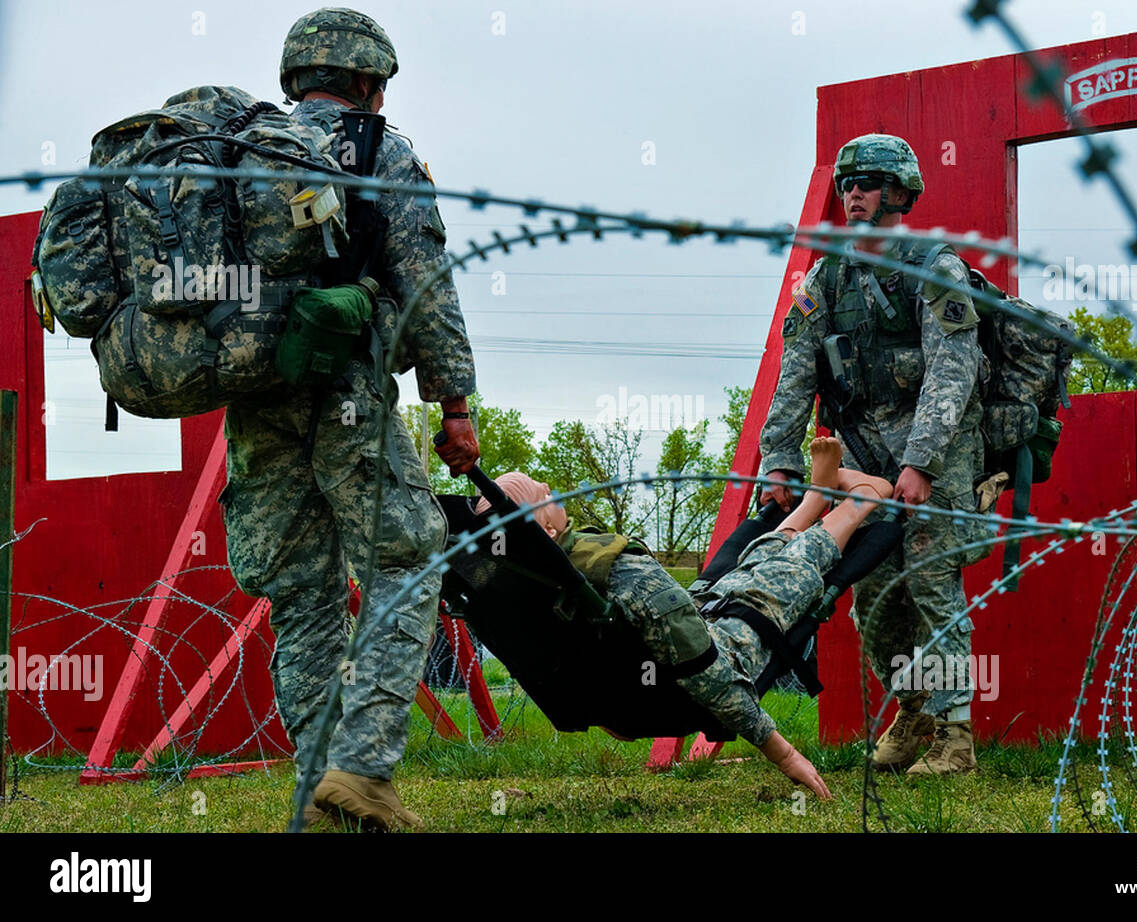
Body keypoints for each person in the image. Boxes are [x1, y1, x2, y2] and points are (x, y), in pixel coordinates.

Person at [220, 7, 479, 831]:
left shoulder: (240, 153)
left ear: (300, 77)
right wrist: (455, 403)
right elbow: (425, 283)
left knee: (302, 596)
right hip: (346, 396)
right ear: (368, 78)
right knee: (407, 557)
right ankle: (361, 771)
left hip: (256, 400)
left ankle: (317, 777)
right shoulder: (379, 151)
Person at [479, 437, 893, 799]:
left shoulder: (518, 588)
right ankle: (859, 500)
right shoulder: (614, 570)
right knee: (789, 571)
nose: (554, 491)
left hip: (663, 660)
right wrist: (782, 753)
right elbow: (706, 669)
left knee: (745, 568)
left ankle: (815, 499)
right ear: (548, 534)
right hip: (724, 654)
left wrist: (609, 710)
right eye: (545, 495)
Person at [757, 134, 984, 775]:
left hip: (938, 452)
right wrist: (780, 462)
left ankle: (955, 737)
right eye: (847, 184)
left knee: (933, 589)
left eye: (867, 183)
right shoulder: (828, 276)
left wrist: (922, 462)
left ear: (900, 192)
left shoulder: (936, 267)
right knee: (875, 599)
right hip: (864, 458)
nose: (853, 193)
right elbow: (795, 369)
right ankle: (910, 710)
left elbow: (952, 367)